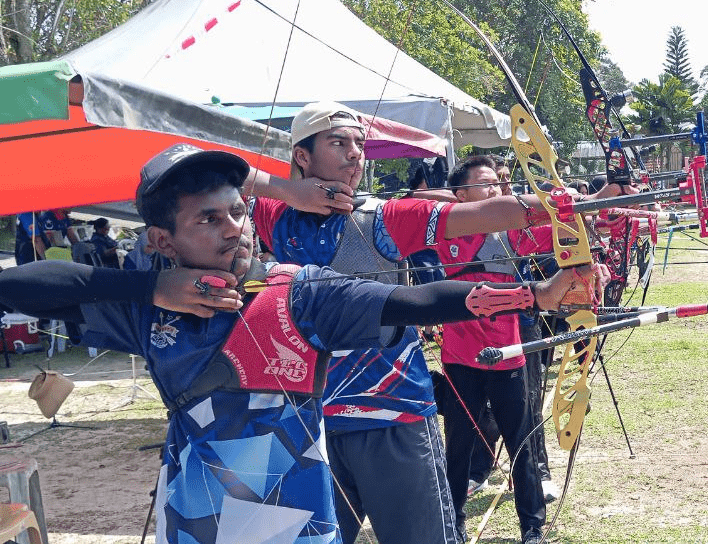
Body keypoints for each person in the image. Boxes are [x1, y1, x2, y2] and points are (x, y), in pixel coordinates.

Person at [0, 143, 603, 544]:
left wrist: (537, 297)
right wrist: (152, 287)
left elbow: (415, 302)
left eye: (237, 212)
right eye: (207, 219)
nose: (234, 228)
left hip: (296, 524)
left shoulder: (299, 294)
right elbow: (20, 288)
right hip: (197, 517)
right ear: (160, 240)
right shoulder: (147, 312)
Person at [248, 101, 631, 544]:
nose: (356, 154)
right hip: (312, 417)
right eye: (339, 143)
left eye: (359, 144)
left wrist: (574, 204)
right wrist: (290, 192)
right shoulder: (274, 215)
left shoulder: (384, 219)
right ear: (302, 155)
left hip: (391, 414)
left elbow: (488, 215)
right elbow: (201, 173)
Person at [431, 155, 556, 543]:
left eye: (500, 184)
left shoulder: (514, 231)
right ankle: (453, 524)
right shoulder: (444, 230)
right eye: (486, 184)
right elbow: (414, 205)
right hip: (459, 359)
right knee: (459, 446)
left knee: (521, 444)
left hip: (507, 355)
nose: (498, 190)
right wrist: (456, 205)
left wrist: (591, 203)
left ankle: (532, 528)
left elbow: (561, 230)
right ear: (461, 193)